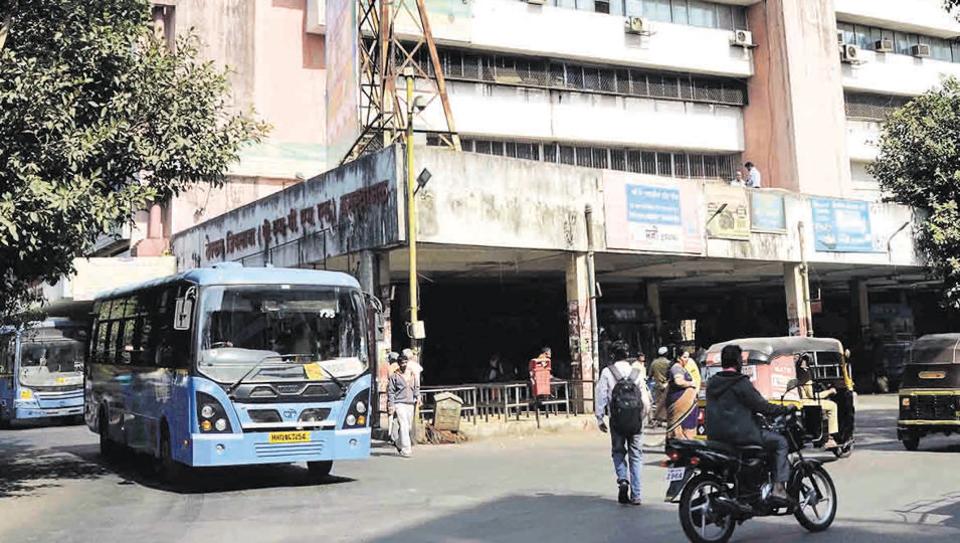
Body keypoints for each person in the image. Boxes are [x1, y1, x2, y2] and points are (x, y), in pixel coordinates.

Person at [706, 344, 793, 502]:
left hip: (715, 437)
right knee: (780, 442)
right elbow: (761, 406)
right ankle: (779, 488)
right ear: (738, 362)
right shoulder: (741, 383)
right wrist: (784, 409)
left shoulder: (712, 383)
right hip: (742, 436)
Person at [595, 342, 652, 506]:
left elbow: (601, 396)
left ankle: (622, 480)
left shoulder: (607, 372)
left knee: (618, 452)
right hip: (636, 422)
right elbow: (645, 400)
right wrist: (642, 417)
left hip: (617, 421)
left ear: (613, 355)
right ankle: (637, 495)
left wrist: (600, 418)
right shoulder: (637, 372)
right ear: (628, 355)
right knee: (636, 456)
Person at [797, 354, 840, 449]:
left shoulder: (796, 371)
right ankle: (830, 438)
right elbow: (813, 396)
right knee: (832, 405)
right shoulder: (804, 374)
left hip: (798, 401)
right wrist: (829, 391)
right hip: (804, 402)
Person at [387, 354, 420, 457]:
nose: (404, 365)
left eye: (405, 363)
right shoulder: (395, 376)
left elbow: (416, 387)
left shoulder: (412, 374)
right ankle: (406, 449)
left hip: (410, 402)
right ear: (399, 364)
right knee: (404, 425)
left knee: (408, 427)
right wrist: (391, 405)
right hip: (399, 403)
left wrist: (417, 396)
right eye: (402, 363)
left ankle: (398, 442)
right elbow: (391, 392)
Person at [649, 347, 672, 423]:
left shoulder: (654, 363)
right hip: (668, 385)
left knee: (659, 402)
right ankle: (667, 418)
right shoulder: (669, 363)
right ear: (666, 354)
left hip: (658, 385)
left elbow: (650, 375)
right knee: (667, 402)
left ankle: (659, 420)